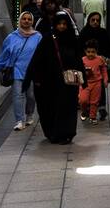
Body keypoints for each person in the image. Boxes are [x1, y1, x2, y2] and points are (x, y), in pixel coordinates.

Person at [29, 12, 85, 144]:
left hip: (69, 82)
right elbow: (38, 59)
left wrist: (84, 79)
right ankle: (55, 133)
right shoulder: (48, 39)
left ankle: (67, 133)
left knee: (69, 108)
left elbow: (78, 59)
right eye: (59, 24)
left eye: (64, 24)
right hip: (51, 82)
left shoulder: (72, 39)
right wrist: (37, 78)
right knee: (53, 107)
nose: (62, 27)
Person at [0, 12, 41, 131]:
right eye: (24, 19)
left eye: (29, 19)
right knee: (18, 96)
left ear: (32, 21)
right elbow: (4, 53)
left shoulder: (38, 37)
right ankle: (19, 120)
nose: (26, 21)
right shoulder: (11, 37)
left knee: (31, 96)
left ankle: (29, 115)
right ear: (20, 20)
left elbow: (42, 54)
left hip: (32, 72)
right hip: (17, 71)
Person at [79, 11, 110, 120]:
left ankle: (101, 108)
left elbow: (109, 46)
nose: (95, 22)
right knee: (87, 88)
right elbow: (80, 49)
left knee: (100, 87)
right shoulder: (84, 33)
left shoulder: (103, 32)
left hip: (101, 63)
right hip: (87, 65)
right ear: (89, 20)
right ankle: (88, 107)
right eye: (93, 20)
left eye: (97, 20)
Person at [78, 41, 108, 124]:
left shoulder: (99, 59)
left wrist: (105, 80)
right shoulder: (82, 60)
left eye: (93, 52)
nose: (90, 54)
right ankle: (84, 111)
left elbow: (104, 70)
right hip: (85, 83)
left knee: (94, 101)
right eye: (88, 52)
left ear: (96, 51)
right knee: (82, 100)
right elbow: (79, 71)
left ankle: (92, 116)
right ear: (85, 51)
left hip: (97, 83)